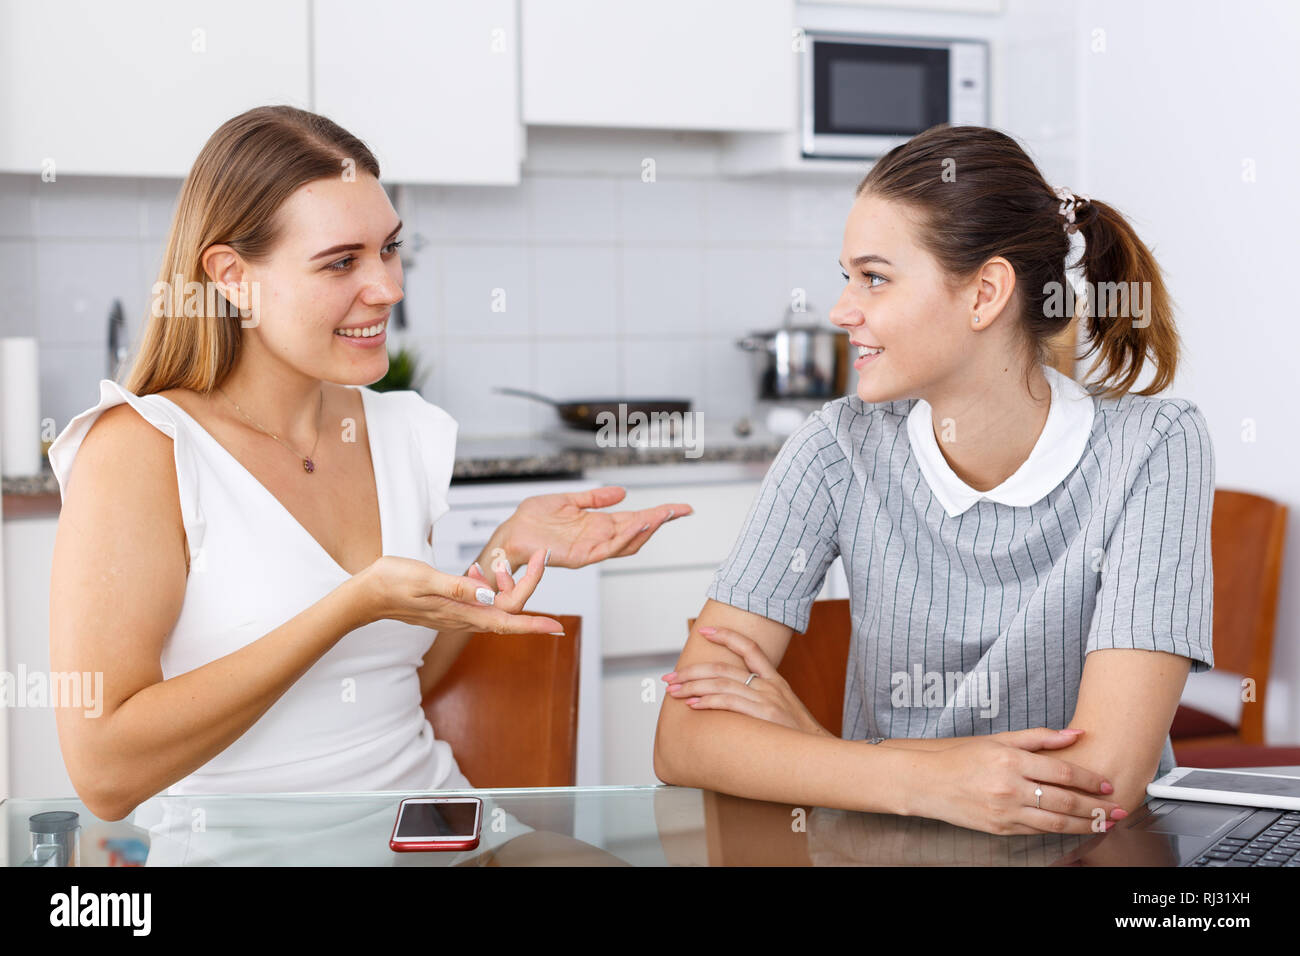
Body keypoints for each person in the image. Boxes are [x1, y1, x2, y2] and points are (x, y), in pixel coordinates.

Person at [47, 105, 691, 865]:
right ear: (231, 279)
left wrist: (496, 561)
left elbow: (401, 672)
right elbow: (104, 773)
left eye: (389, 251)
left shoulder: (398, 430)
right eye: (341, 262)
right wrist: (345, 608)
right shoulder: (142, 449)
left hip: (441, 832)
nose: (386, 288)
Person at [654, 123, 1214, 837]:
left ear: (985, 294)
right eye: (846, 277)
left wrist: (830, 757)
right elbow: (683, 740)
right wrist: (926, 779)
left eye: (875, 278)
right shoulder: (836, 446)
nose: (841, 310)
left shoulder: (1154, 445)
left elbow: (1106, 782)